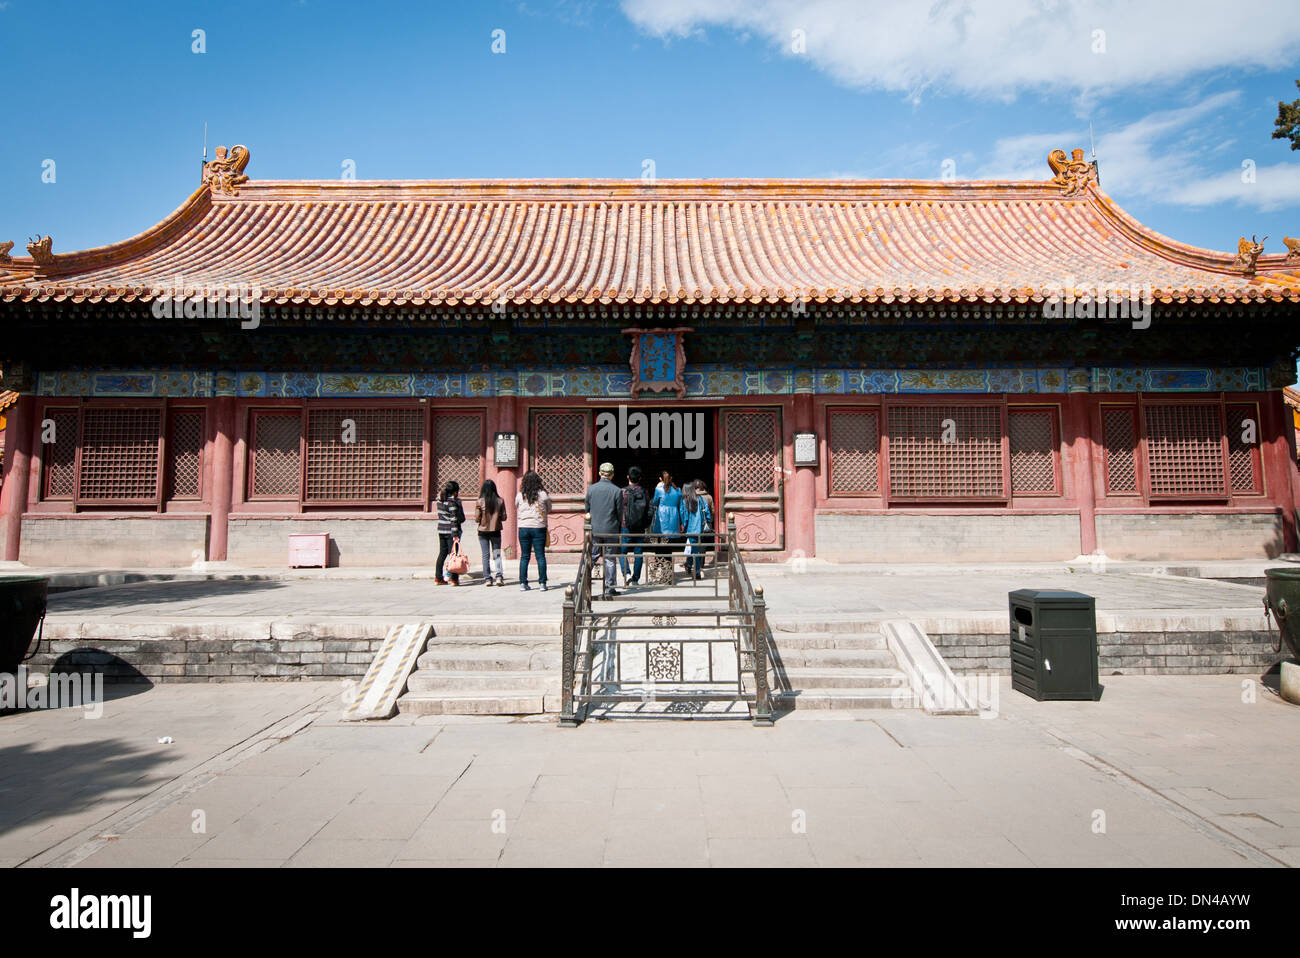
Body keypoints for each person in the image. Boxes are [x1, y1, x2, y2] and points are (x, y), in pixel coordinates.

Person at [584, 462, 622, 597]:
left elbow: (587, 508)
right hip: (611, 528)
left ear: (600, 473)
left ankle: (585, 583)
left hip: (594, 528)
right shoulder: (617, 491)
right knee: (610, 559)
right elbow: (619, 512)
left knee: (592, 556)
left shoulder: (591, 489)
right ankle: (609, 588)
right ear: (612, 475)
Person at [516, 469, 551, 591]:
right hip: (538, 527)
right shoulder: (543, 494)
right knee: (540, 556)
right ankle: (542, 583)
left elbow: (516, 506)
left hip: (523, 527)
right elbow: (549, 508)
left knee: (524, 556)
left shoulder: (520, 495)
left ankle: (523, 583)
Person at [619, 465, 651, 586]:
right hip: (640, 528)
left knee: (622, 552)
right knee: (639, 553)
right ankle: (636, 579)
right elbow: (649, 509)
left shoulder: (623, 492)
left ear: (628, 477)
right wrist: (645, 524)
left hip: (625, 526)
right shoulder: (644, 492)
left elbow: (618, 509)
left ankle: (626, 573)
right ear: (640, 478)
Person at [474, 479, 507, 587]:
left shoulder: (479, 501)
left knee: (485, 555)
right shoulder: (500, 501)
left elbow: (477, 518)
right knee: (497, 554)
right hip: (496, 531)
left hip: (483, 531)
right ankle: (499, 577)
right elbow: (504, 517)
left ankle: (487, 578)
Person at [680, 480, 713, 579]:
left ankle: (697, 572)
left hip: (691, 529)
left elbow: (684, 516)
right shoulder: (701, 500)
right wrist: (707, 522)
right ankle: (689, 565)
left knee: (694, 551)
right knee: (695, 549)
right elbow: (707, 513)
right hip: (700, 529)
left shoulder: (685, 501)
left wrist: (684, 527)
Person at [435, 481, 465, 585]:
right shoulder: (451, 503)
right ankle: (454, 579)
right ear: (455, 492)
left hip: (441, 530)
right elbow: (453, 519)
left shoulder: (439, 500)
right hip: (450, 532)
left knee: (442, 554)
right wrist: (455, 535)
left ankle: (438, 578)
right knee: (454, 556)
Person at [649, 470, 684, 558]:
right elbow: (681, 507)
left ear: (660, 479)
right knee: (669, 545)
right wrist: (682, 522)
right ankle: (668, 566)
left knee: (660, 544)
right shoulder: (678, 490)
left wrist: (658, 487)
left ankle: (659, 563)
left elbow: (654, 502)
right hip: (674, 518)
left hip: (662, 518)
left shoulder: (659, 489)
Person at [694, 478, 716, 564]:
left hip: (695, 523)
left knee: (694, 543)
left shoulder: (693, 497)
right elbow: (712, 511)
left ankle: (694, 563)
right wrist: (710, 522)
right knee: (703, 543)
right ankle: (701, 562)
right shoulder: (709, 497)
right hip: (706, 523)